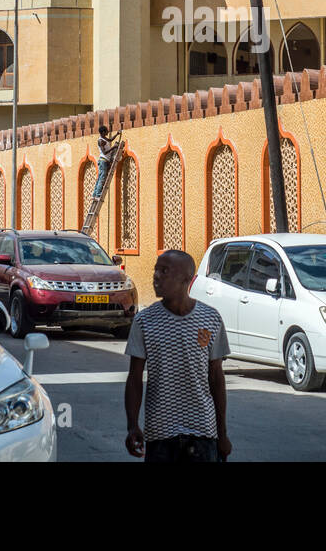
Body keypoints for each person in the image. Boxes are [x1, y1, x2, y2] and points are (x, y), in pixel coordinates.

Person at [124, 249, 232, 462]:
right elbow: (134, 378)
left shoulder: (210, 319)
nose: (156, 276)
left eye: (164, 271)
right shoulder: (144, 322)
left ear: (186, 279)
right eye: (156, 270)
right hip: (160, 434)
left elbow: (216, 379)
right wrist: (132, 425)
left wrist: (222, 434)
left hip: (203, 432)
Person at [92, 125, 120, 199]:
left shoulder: (104, 139)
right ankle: (98, 194)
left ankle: (95, 194)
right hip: (103, 161)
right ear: (103, 132)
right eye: (107, 131)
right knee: (102, 178)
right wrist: (113, 147)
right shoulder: (101, 141)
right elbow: (104, 152)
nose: (108, 132)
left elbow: (110, 140)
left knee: (100, 178)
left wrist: (117, 134)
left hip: (105, 161)